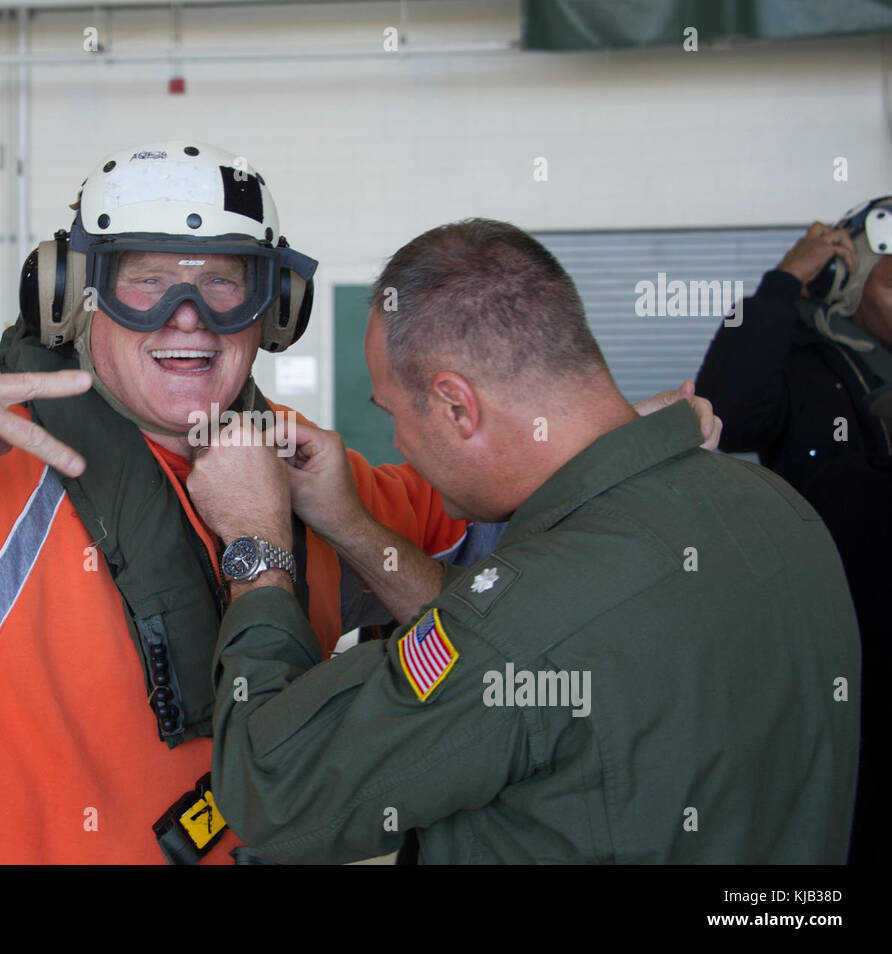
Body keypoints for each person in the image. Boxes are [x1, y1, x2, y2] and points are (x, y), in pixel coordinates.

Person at [0, 143, 718, 865]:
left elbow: (481, 516)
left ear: (275, 310)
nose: (189, 319)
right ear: (72, 296)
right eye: (145, 281)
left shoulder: (305, 473)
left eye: (226, 284)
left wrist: (617, 441)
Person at [187, 218, 861, 864]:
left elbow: (274, 792)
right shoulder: (780, 511)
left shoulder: (525, 623)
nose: (395, 445)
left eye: (392, 414)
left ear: (456, 406)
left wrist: (257, 543)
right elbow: (517, 637)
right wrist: (349, 523)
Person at [696, 199, 892, 864]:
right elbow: (728, 409)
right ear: (852, 285)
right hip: (846, 666)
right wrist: (782, 282)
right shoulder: (806, 362)